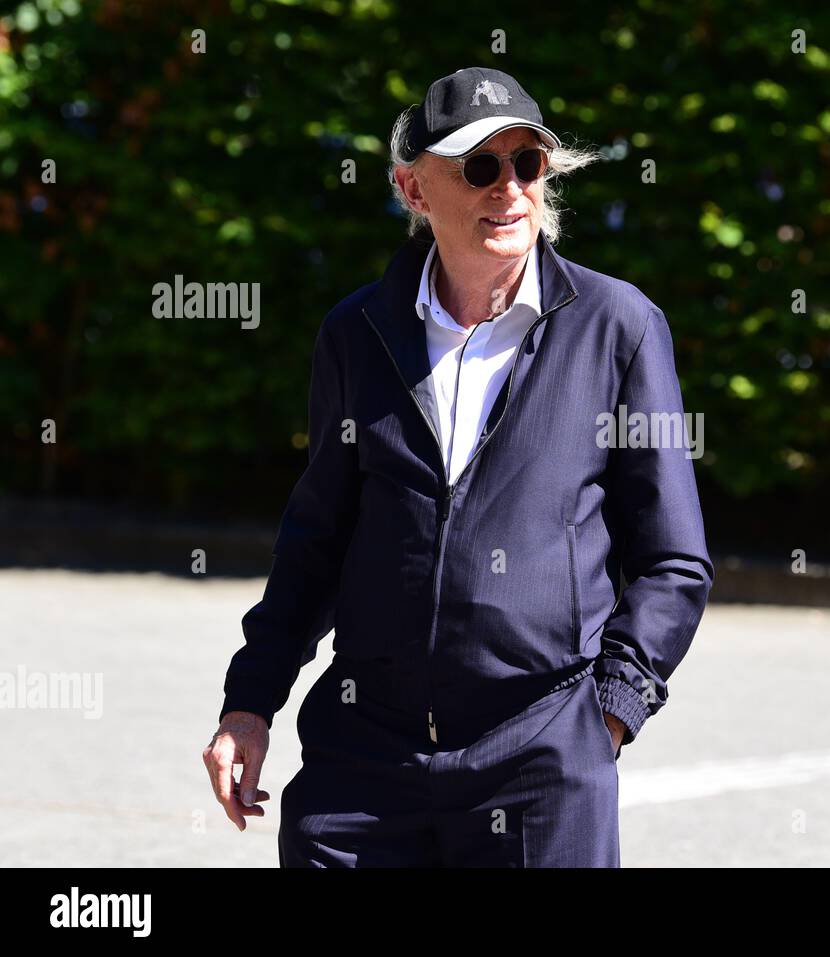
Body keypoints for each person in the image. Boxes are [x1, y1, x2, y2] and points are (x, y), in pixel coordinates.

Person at [200, 66, 713, 867]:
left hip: (541, 758)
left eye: (527, 163)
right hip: (364, 756)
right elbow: (315, 541)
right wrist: (250, 702)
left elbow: (674, 561)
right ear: (413, 188)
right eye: (479, 166)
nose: (509, 188)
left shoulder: (619, 326)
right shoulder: (356, 333)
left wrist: (608, 714)